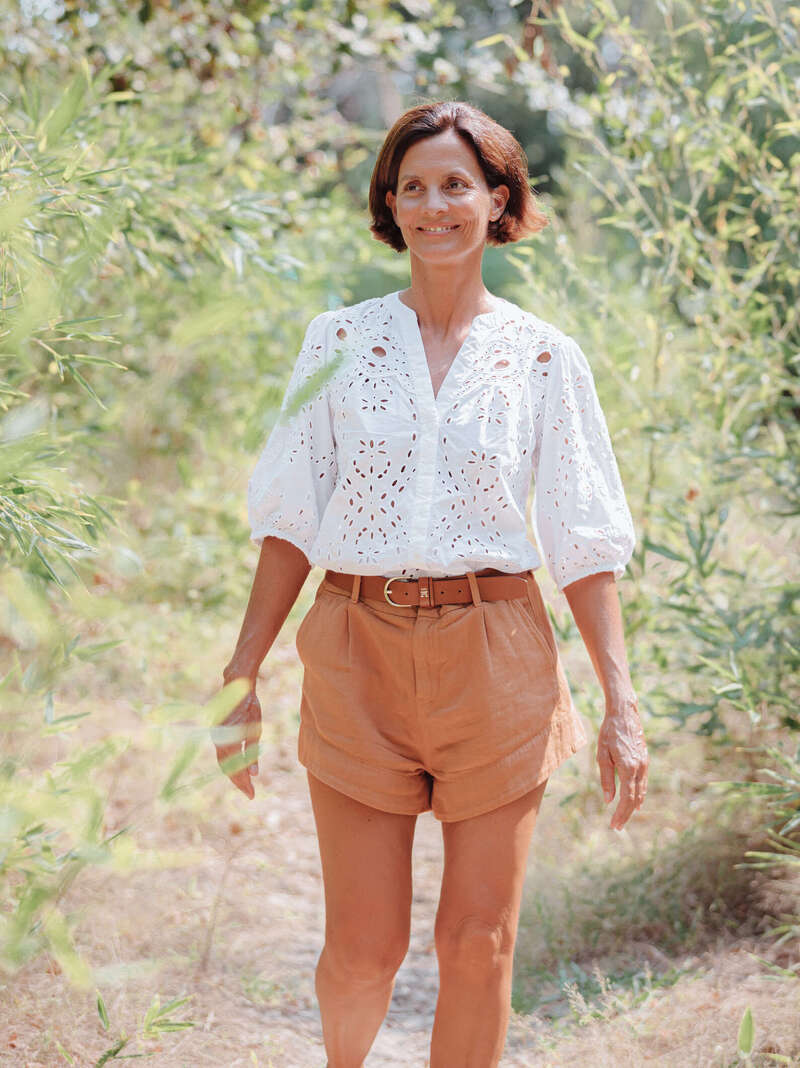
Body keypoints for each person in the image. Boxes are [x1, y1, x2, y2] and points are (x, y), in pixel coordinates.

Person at [213, 100, 648, 1068]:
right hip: (354, 649)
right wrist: (240, 673)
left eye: (454, 184)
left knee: (476, 945)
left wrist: (619, 700)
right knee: (363, 952)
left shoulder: (542, 355)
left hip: (496, 658)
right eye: (410, 187)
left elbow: (581, 538)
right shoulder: (334, 341)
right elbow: (288, 517)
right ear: (389, 205)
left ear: (497, 201)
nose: (432, 205)